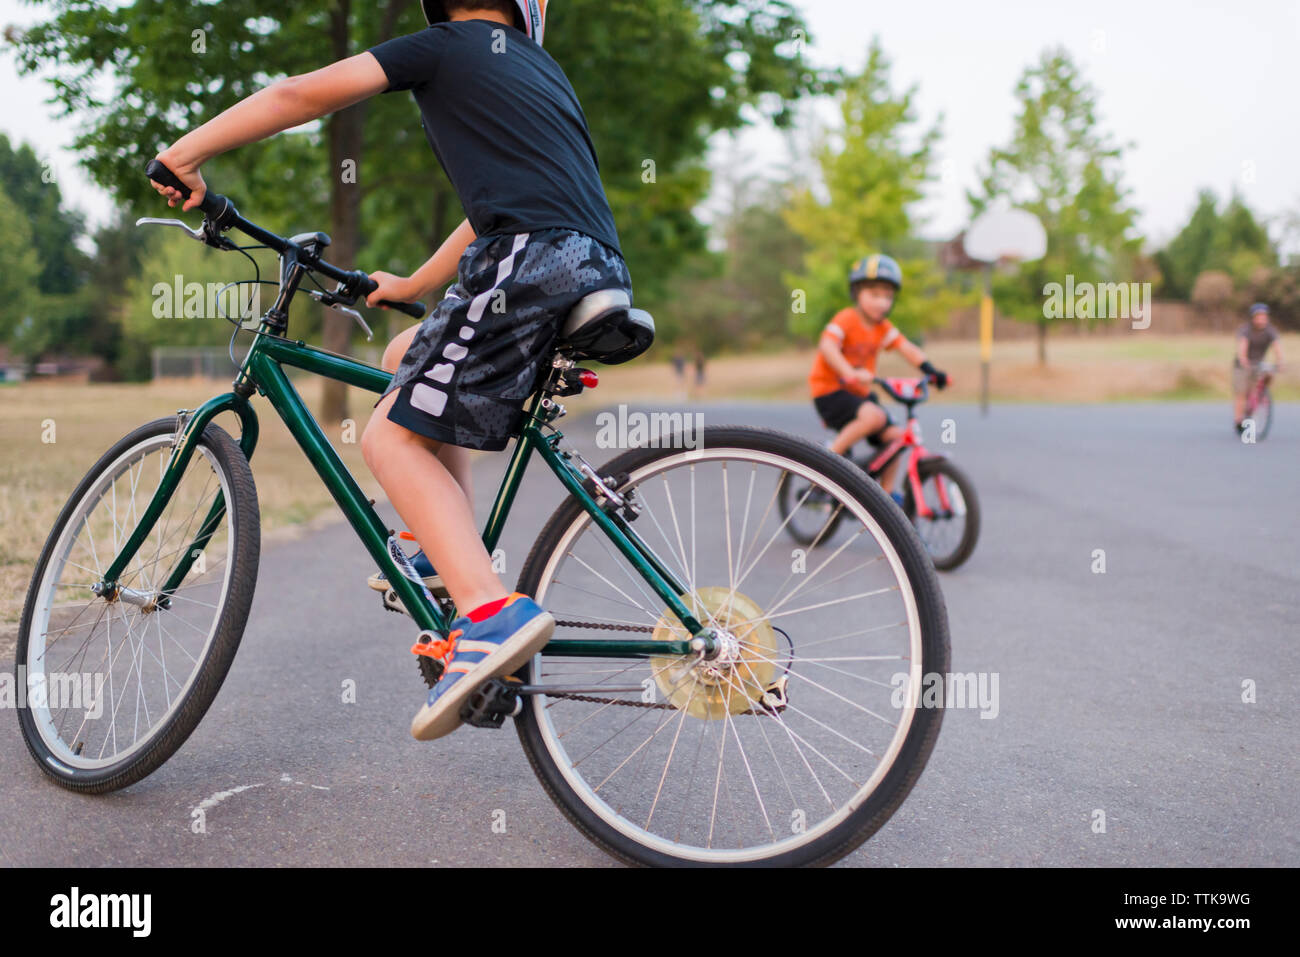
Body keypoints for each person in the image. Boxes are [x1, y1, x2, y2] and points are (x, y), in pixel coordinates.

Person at [148, 0, 633, 741]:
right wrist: (410, 284)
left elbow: (298, 96)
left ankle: (489, 613)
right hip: (585, 262)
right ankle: (437, 553)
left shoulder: (445, 47)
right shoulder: (540, 73)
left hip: (526, 261)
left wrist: (186, 153)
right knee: (406, 357)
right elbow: (492, 207)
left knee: (388, 440)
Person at [808, 254, 948, 505]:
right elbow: (827, 346)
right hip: (830, 390)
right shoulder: (847, 319)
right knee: (874, 416)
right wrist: (848, 372)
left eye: (887, 296)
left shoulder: (883, 328)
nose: (881, 302)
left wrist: (931, 371)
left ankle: (885, 498)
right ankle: (823, 467)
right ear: (857, 293)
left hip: (859, 393)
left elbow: (908, 349)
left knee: (897, 436)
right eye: (874, 294)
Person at [1233, 303, 1283, 432]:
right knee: (1241, 392)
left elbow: (1277, 347)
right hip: (1243, 364)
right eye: (1258, 316)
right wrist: (1243, 359)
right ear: (1253, 318)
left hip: (1259, 363)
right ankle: (1238, 421)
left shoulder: (1270, 330)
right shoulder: (1246, 329)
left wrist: (1280, 361)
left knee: (1269, 373)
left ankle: (1261, 394)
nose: (1261, 319)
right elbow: (1242, 346)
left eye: (1263, 316)